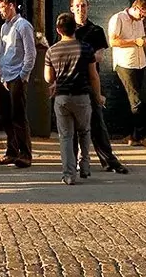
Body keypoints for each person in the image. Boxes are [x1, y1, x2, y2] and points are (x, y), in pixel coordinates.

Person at [70, 0, 128, 174]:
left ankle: (109, 161)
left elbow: (99, 56)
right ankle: (71, 163)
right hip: (70, 84)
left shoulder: (96, 31)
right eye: (77, 6)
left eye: (84, 6)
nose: (81, 9)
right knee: (71, 128)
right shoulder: (66, 30)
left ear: (88, 7)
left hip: (89, 82)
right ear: (72, 9)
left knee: (97, 124)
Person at [44, 12, 103, 185]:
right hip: (82, 96)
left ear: (58, 30)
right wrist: (98, 96)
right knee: (84, 132)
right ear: (75, 28)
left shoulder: (52, 51)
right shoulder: (85, 48)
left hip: (62, 97)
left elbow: (48, 78)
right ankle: (84, 166)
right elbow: (94, 76)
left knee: (66, 136)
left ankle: (69, 174)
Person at [0, 0, 36, 168]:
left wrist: (23, 75)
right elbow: (2, 51)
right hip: (4, 75)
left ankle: (25, 154)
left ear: (11, 5)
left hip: (16, 76)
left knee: (18, 116)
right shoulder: (4, 27)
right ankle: (11, 151)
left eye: (1, 8)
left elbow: (30, 53)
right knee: (6, 116)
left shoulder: (23, 26)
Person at [108, 0, 146, 147]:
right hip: (125, 64)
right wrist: (135, 42)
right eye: (142, 14)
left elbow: (139, 39)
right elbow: (113, 41)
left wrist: (143, 42)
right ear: (135, 8)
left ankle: (132, 136)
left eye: (145, 16)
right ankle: (142, 135)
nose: (142, 18)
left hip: (139, 63)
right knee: (136, 100)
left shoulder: (139, 21)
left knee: (133, 100)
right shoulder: (118, 18)